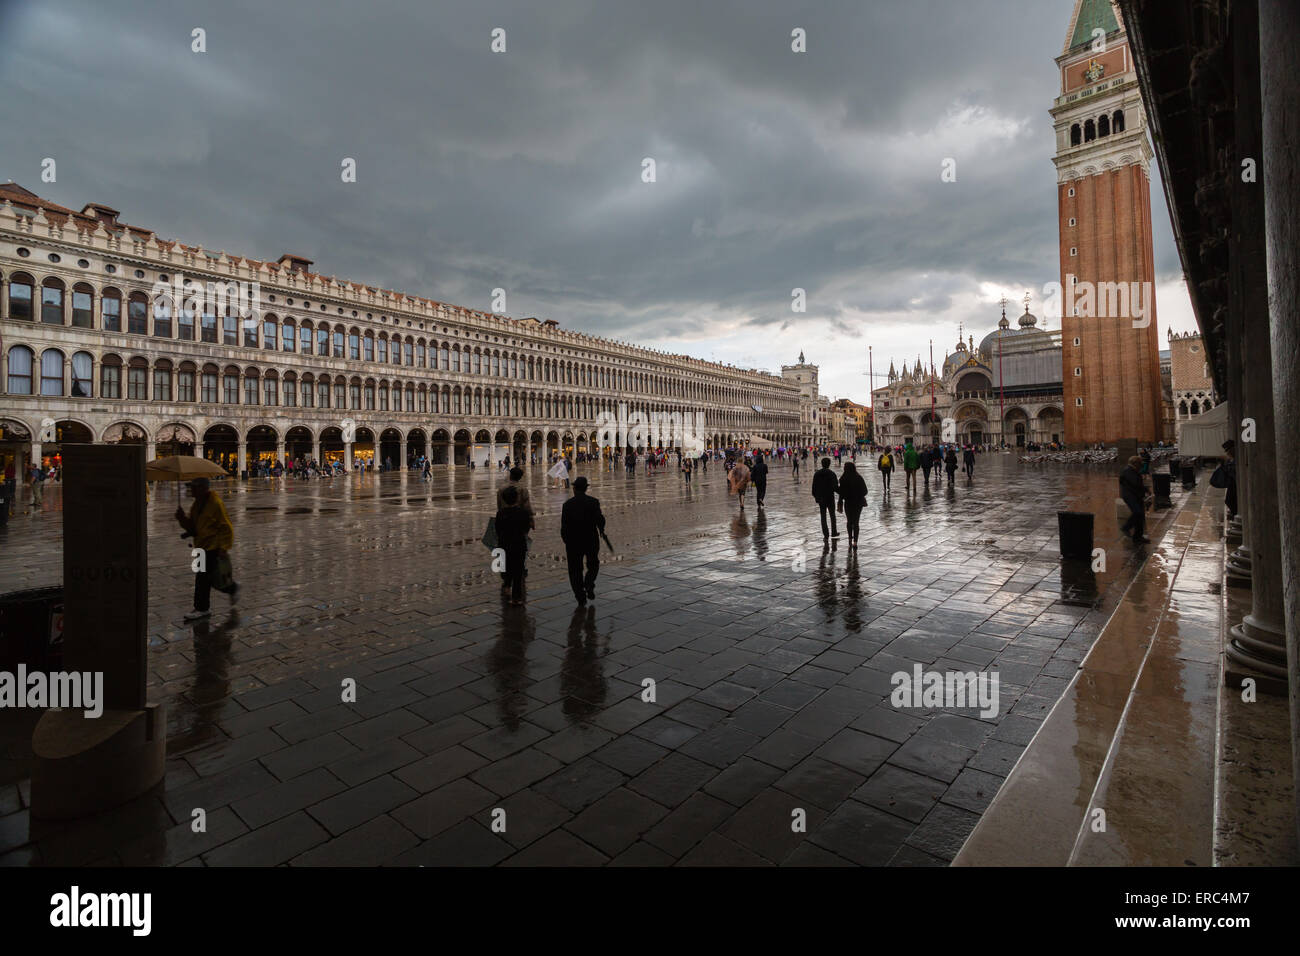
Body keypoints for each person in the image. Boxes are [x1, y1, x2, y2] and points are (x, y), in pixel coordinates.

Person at [175, 477, 239, 620]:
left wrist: (224, 547)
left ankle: (202, 608)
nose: (191, 490)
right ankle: (232, 588)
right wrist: (181, 519)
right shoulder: (196, 505)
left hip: (212, 547)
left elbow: (226, 527)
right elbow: (192, 527)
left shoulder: (215, 503)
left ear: (203, 488)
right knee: (210, 579)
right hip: (200, 546)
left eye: (194, 487)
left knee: (202, 578)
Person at [561, 476, 605, 605]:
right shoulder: (593, 502)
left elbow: (564, 526)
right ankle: (589, 583)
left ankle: (580, 596)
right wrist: (601, 529)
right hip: (590, 539)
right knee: (593, 564)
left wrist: (566, 540)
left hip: (573, 541)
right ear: (586, 489)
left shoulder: (567, 505)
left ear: (574, 489)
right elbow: (600, 520)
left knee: (575, 569)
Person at [495, 486, 531, 605]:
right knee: (518, 570)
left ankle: (506, 585)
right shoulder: (523, 513)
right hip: (519, 544)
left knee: (506, 566)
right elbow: (526, 529)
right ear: (516, 498)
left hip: (504, 544)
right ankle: (516, 597)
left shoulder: (500, 514)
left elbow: (497, 529)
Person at [1119, 455, 1150, 543]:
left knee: (1140, 517)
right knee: (1137, 512)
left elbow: (1137, 484)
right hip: (1130, 496)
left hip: (1136, 495)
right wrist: (1144, 489)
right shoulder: (1128, 471)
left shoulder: (1133, 471)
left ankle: (1138, 537)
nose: (1141, 465)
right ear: (1135, 463)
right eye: (1140, 463)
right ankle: (1126, 527)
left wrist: (1146, 490)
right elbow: (1135, 484)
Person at [837, 461, 867, 549]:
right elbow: (865, 491)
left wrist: (840, 500)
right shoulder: (858, 477)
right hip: (858, 503)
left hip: (848, 502)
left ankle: (850, 538)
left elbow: (841, 493)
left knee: (849, 521)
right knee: (856, 522)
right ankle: (855, 542)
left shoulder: (843, 479)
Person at [811, 457, 839, 541]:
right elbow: (835, 487)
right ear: (829, 464)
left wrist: (816, 496)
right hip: (830, 497)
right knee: (832, 515)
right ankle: (834, 532)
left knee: (823, 516)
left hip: (821, 498)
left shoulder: (817, 474)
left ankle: (825, 534)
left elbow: (814, 487)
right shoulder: (832, 473)